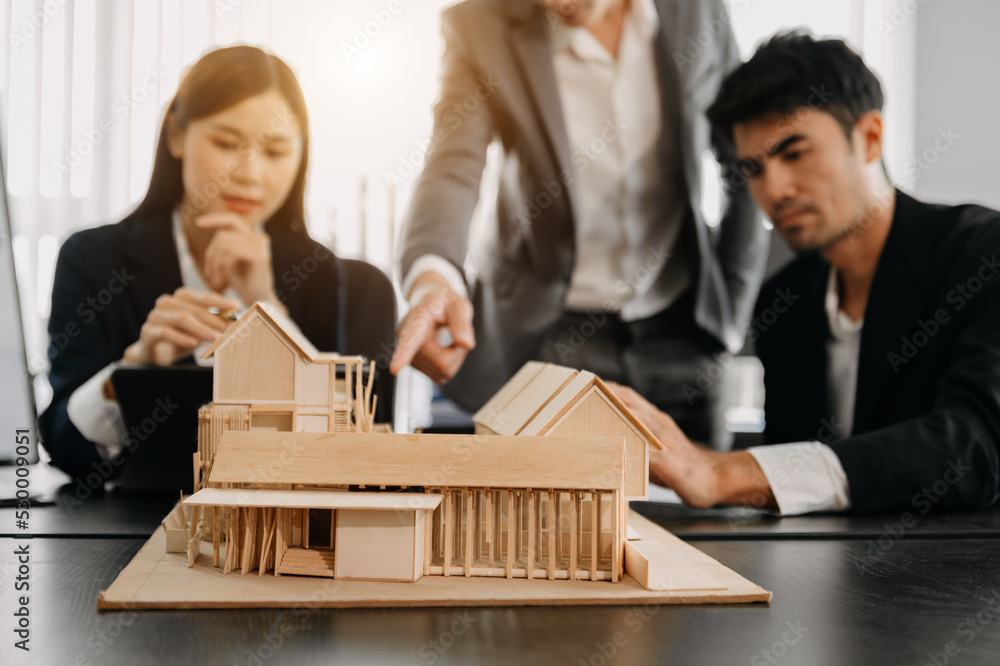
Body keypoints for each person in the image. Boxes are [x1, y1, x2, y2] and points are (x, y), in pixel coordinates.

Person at [610, 32, 1000, 514]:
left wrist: (721, 472)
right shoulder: (787, 300)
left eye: (794, 154)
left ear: (870, 138)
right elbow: (792, 493)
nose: (774, 189)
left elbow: (979, 445)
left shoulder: (983, 255)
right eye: (752, 169)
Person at [389, 0, 767, 450]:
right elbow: (453, 166)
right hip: (549, 338)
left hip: (684, 333)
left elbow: (745, 156)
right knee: (540, 518)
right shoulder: (481, 25)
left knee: (695, 514)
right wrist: (433, 279)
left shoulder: (697, 11)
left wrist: (730, 314)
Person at [40, 46, 344, 480]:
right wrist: (133, 370)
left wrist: (268, 307)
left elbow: (344, 441)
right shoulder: (93, 260)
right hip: (131, 530)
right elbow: (64, 445)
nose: (250, 173)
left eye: (276, 151)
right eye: (226, 143)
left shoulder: (316, 269)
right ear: (177, 137)